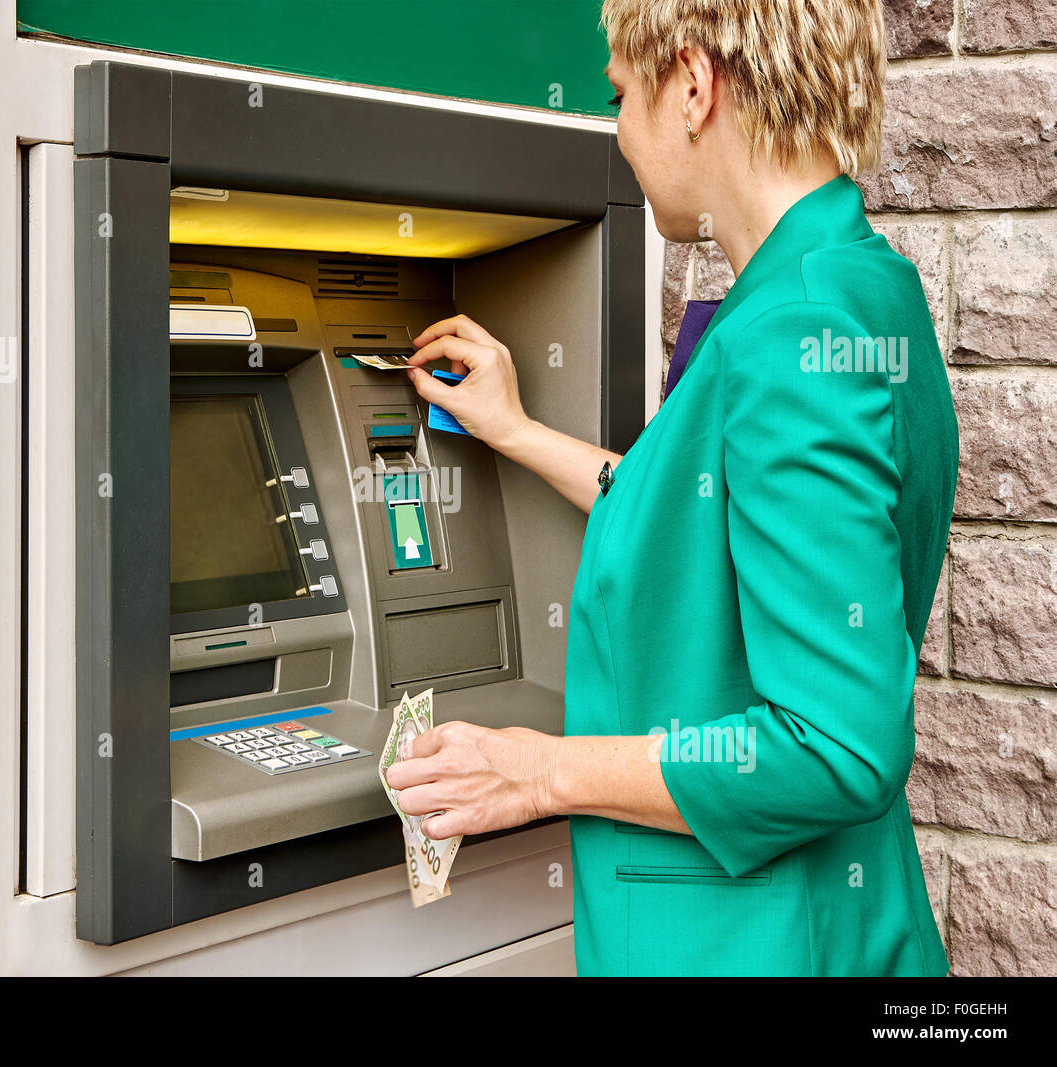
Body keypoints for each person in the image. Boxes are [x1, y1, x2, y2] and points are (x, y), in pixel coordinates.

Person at [383, 0, 958, 976]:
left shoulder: (789, 336)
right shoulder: (853, 286)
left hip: (759, 944)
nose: (617, 131)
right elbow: (712, 518)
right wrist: (516, 431)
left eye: (619, 95)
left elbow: (834, 744)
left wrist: (535, 770)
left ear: (691, 85)